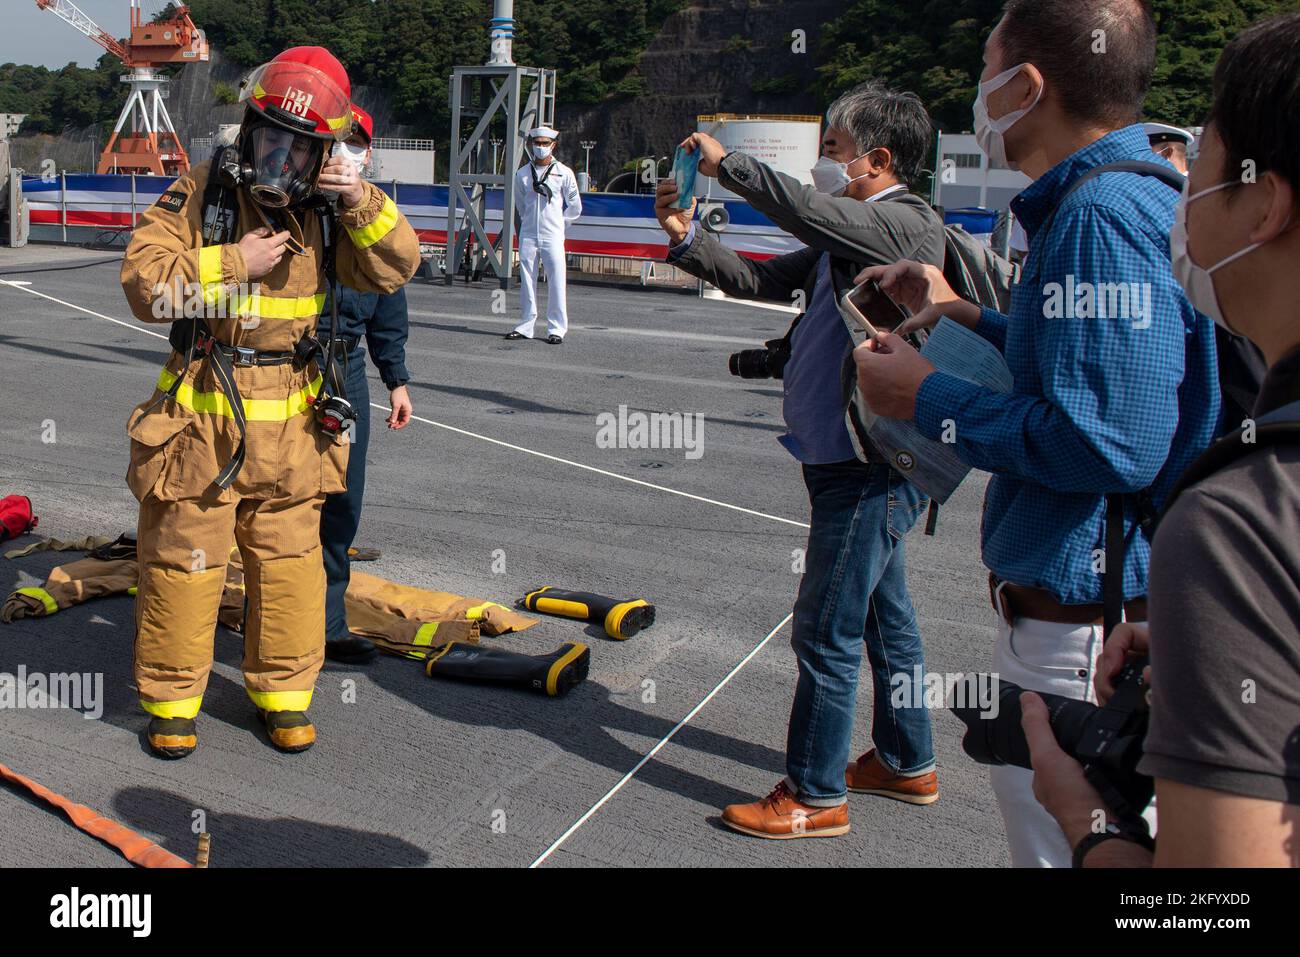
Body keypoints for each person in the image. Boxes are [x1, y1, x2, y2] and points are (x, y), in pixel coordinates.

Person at [852, 0, 1220, 865]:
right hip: (1101, 617)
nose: (979, 93)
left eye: (987, 68)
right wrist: (966, 315)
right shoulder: (1129, 194)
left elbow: (1109, 441)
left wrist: (928, 397)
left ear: (1026, 85)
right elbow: (1096, 361)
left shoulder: (1096, 216)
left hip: (1086, 634)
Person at [1025, 12, 1300, 868]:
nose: (1179, 189)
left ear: (1266, 202)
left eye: (1203, 160)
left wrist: (1087, 827)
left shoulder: (1242, 523)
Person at [654, 80, 947, 839]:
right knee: (888, 618)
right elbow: (765, 278)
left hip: (870, 462)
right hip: (841, 453)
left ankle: (816, 793)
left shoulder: (906, 226)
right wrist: (687, 236)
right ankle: (906, 759)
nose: (824, 165)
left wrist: (736, 169)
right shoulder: (850, 238)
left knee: (824, 628)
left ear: (877, 160)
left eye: (835, 152)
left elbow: (810, 209)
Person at [119, 46, 420, 758]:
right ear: (249, 128)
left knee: (289, 570)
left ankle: (282, 695)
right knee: (182, 565)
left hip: (292, 427)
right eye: (268, 139)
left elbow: (395, 265)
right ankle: (171, 703)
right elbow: (145, 287)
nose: (278, 159)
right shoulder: (199, 193)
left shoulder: (328, 210)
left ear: (324, 151)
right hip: (201, 424)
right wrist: (232, 263)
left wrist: (358, 198)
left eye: (297, 147)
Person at [317, 104, 415, 664]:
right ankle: (269, 614)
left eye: (354, 143)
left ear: (368, 154)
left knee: (341, 499)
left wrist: (395, 379)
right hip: (286, 365)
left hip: (346, 369)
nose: (343, 152)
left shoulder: (376, 217)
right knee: (275, 500)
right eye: (334, 141)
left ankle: (328, 627)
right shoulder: (292, 202)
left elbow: (390, 298)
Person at [503, 126, 581, 345]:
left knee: (557, 281)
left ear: (553, 145)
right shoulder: (522, 174)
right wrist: (528, 224)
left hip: (553, 235)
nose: (541, 147)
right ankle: (526, 325)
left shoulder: (564, 172)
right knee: (527, 280)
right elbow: (520, 204)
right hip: (528, 233)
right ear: (531, 145)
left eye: (545, 143)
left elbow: (575, 206)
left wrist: (560, 226)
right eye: (537, 143)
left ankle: (556, 328)